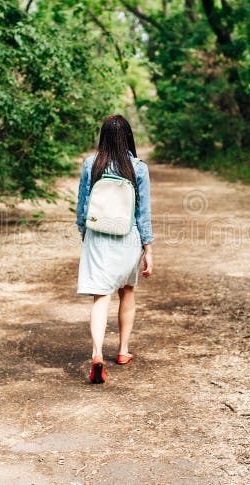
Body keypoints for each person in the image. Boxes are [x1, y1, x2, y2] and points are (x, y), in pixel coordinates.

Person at [75, 115, 154, 384]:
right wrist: (148, 247)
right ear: (129, 137)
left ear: (103, 136)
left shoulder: (91, 164)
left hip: (98, 234)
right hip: (127, 237)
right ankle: (122, 351)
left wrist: (84, 232)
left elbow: (83, 204)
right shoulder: (138, 168)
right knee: (126, 291)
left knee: (101, 296)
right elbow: (143, 213)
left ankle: (97, 354)